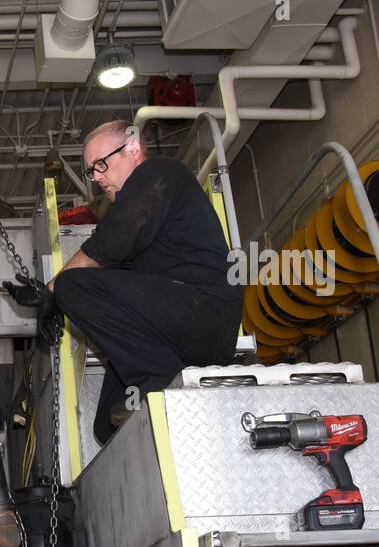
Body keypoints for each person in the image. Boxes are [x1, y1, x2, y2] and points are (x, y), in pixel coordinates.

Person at [38, 120, 242, 444]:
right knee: (107, 424)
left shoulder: (160, 173)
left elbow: (109, 244)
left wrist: (50, 293)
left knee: (72, 285)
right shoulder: (141, 224)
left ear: (133, 148)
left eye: (101, 165)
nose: (97, 178)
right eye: (92, 172)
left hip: (203, 312)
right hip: (171, 331)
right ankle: (163, 392)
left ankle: (160, 379)